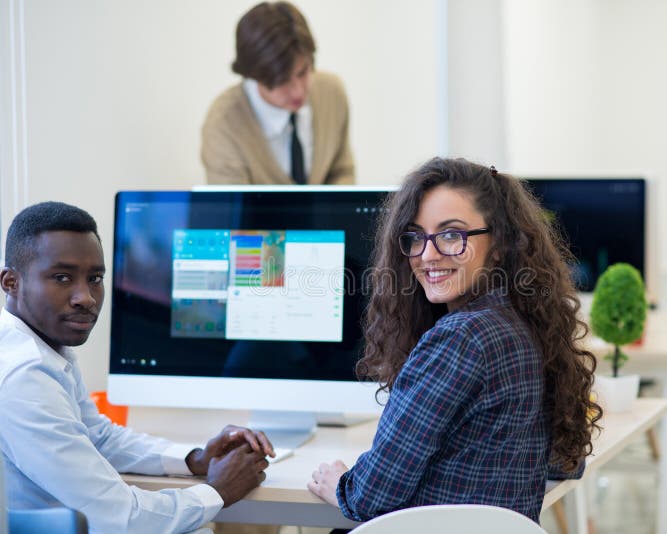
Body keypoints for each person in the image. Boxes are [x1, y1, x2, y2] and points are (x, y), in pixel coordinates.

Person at [308, 158, 602, 523]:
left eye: (451, 235)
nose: (428, 254)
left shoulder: (460, 338)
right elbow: (566, 464)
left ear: (499, 244)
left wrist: (341, 482)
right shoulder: (530, 323)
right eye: (415, 236)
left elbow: (370, 497)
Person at [0, 201, 276, 533]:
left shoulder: (41, 347)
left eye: (95, 278)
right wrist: (218, 491)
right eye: (62, 277)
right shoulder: (25, 375)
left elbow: (97, 437)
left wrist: (195, 459)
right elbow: (123, 519)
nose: (85, 297)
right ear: (11, 282)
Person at [202, 1, 355, 185]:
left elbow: (342, 171)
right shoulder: (223, 123)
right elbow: (232, 210)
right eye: (283, 82)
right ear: (254, 76)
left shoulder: (332, 93)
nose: (299, 91)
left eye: (303, 72)